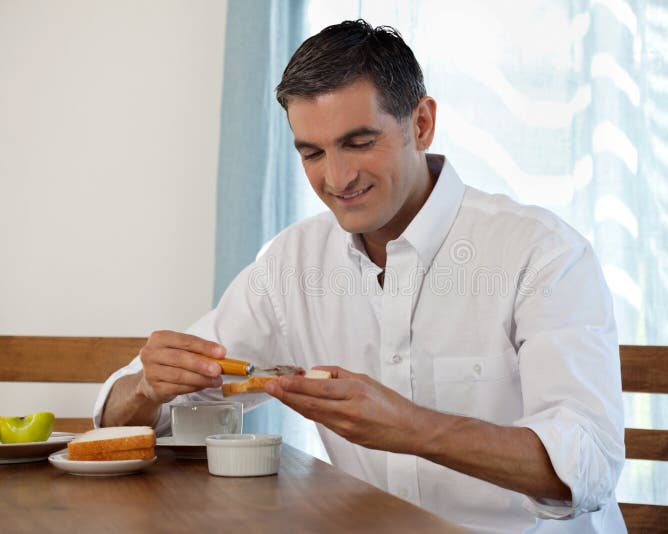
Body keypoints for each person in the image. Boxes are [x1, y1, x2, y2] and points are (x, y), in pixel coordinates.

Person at [95, 20, 626, 533]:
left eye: (358, 142)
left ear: (420, 124)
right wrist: (147, 389)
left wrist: (413, 427)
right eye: (313, 152)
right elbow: (143, 416)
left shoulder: (542, 253)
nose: (337, 178)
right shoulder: (293, 264)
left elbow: (590, 462)